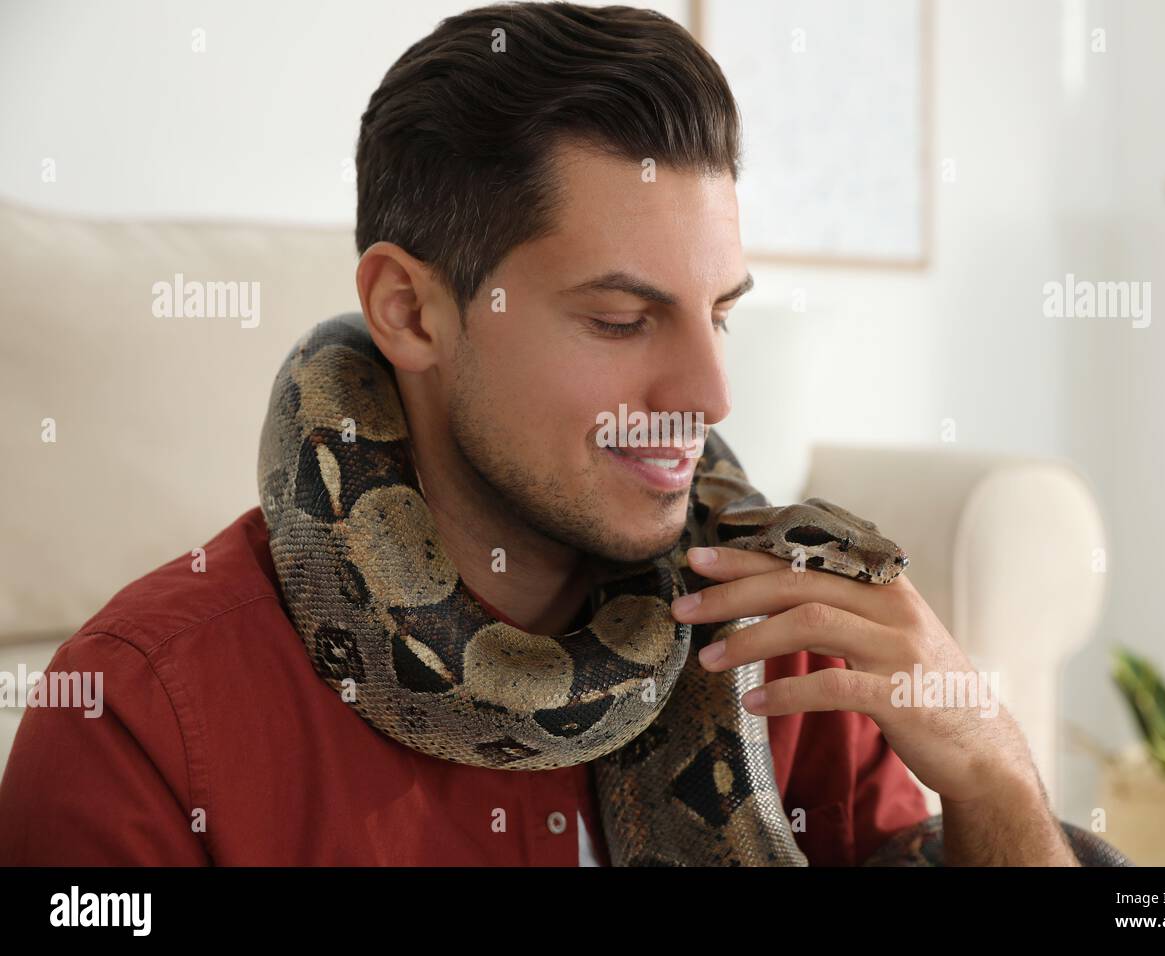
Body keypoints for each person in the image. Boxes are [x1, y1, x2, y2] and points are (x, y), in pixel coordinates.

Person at [0, 1, 1076, 866]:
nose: (709, 396)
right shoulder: (137, 719)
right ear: (411, 312)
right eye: (621, 319)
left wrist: (989, 770)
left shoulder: (775, 644)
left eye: (721, 313)